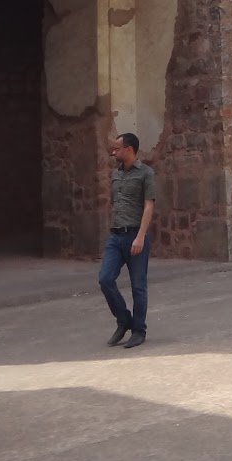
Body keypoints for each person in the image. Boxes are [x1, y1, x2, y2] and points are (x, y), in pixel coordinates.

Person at [100, 132, 157, 348]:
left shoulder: (146, 174)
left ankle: (139, 330)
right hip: (116, 236)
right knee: (105, 279)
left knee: (138, 286)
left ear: (129, 149)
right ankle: (124, 321)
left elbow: (149, 206)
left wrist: (140, 236)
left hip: (135, 235)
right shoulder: (115, 175)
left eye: (117, 148)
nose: (113, 152)